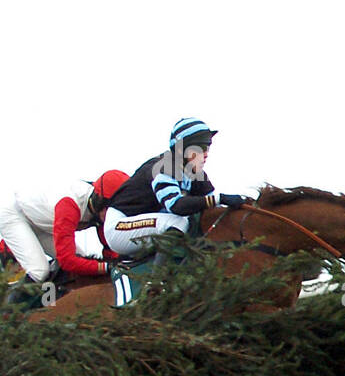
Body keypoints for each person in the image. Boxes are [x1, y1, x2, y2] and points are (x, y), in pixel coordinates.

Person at [105, 118, 247, 258]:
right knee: (177, 221)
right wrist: (220, 198)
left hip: (145, 224)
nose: (206, 154)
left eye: (208, 147)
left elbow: (214, 211)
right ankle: (158, 279)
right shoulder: (164, 167)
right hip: (119, 227)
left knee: (193, 222)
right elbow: (176, 206)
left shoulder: (197, 174)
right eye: (202, 148)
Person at [0, 170, 130, 305]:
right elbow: (67, 260)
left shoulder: (97, 204)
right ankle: (8, 314)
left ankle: (49, 300)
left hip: (42, 221)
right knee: (39, 271)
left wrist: (115, 263)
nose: (112, 214)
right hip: (15, 215)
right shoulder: (69, 206)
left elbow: (110, 249)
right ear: (99, 200)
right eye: (110, 207)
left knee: (83, 258)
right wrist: (107, 267)